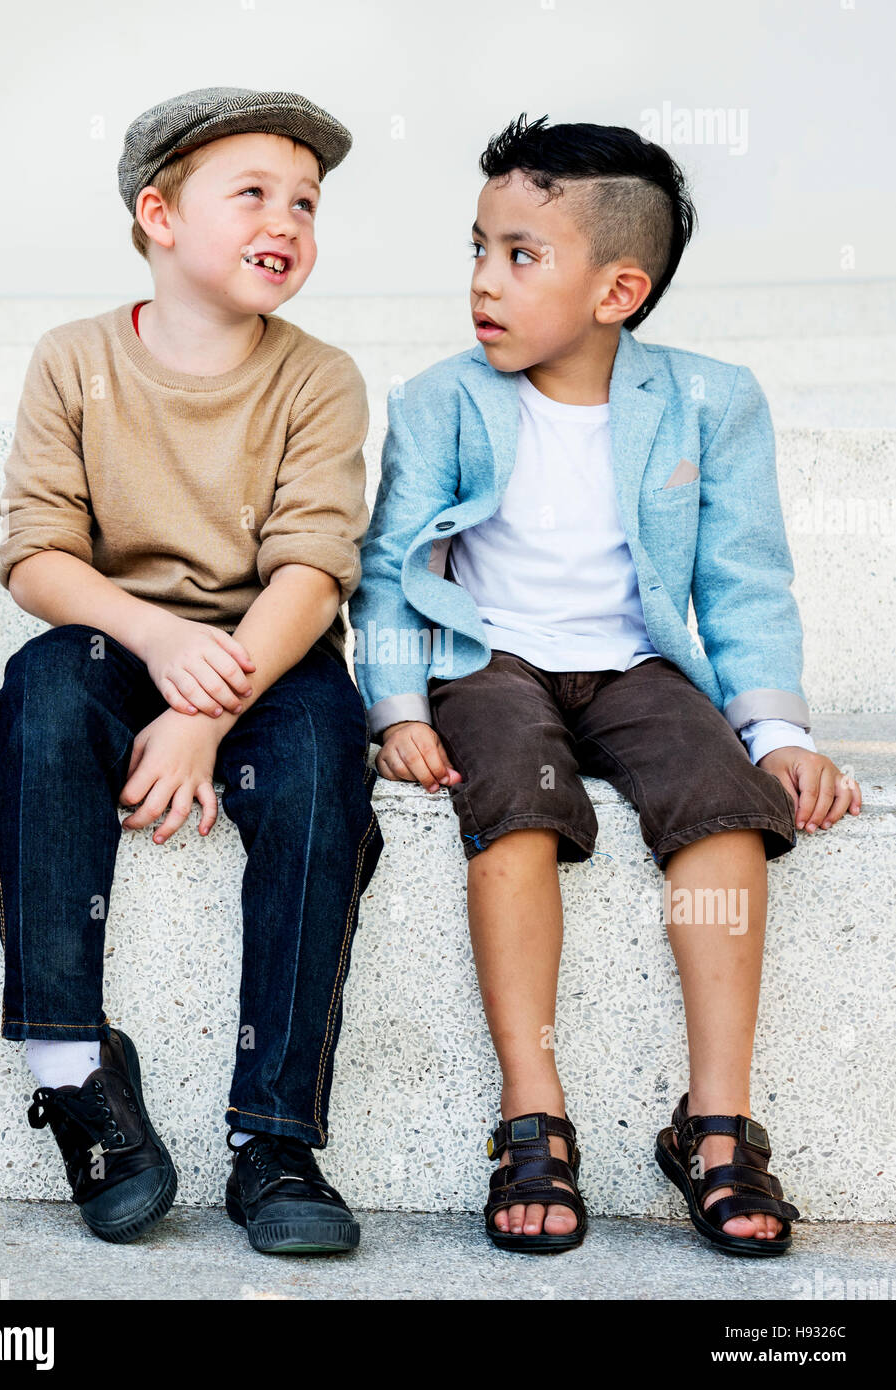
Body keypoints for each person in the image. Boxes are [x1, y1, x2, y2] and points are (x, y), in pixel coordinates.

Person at [349, 114, 861, 1256]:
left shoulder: (708, 402)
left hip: (638, 663)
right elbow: (389, 575)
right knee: (516, 813)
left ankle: (717, 1124)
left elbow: (743, 579)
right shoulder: (442, 400)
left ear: (617, 289)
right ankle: (535, 1116)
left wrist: (774, 728)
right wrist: (393, 711)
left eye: (520, 255)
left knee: (725, 811)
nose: (484, 280)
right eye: (477, 247)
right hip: (490, 661)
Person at [0, 86, 383, 1254]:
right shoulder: (77, 359)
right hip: (120, 637)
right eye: (252, 193)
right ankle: (76, 1076)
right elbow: (37, 552)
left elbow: (313, 572)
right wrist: (158, 645)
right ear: (158, 214)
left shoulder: (320, 378)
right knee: (48, 692)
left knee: (318, 763)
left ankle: (276, 1138)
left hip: (272, 647)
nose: (289, 220)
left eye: (306, 202)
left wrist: (208, 712)